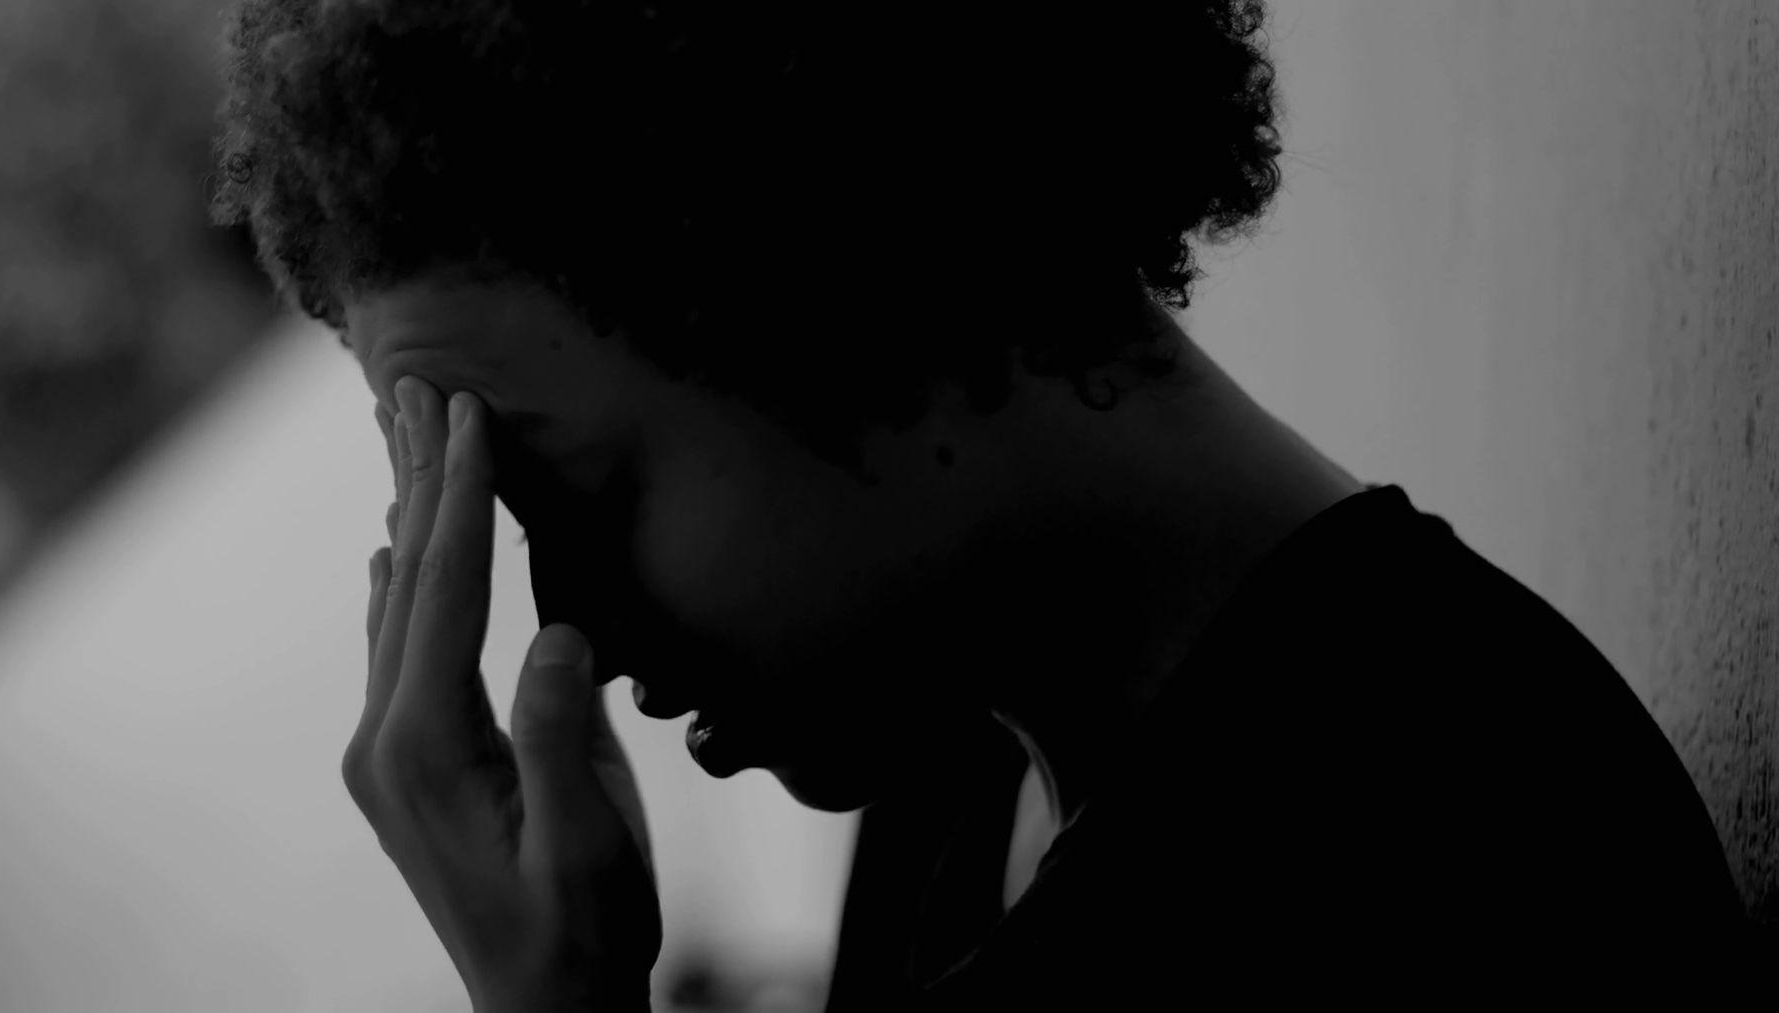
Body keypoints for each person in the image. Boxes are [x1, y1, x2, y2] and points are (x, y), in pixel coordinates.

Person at [207, 2, 1751, 1007]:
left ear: (858, 265)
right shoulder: (967, 783)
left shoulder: (1423, 870)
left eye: (584, 491)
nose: (573, 631)